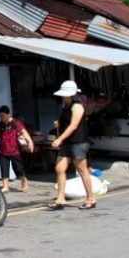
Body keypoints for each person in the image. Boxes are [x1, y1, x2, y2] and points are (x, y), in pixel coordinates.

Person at [48, 80, 96, 210]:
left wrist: (59, 139)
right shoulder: (66, 106)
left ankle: (91, 198)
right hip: (67, 142)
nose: (63, 96)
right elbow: (65, 123)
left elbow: (74, 125)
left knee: (82, 170)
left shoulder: (77, 106)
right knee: (59, 168)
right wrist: (58, 124)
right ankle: (60, 198)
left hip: (78, 142)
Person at [0, 105, 34, 193]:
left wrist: (30, 142)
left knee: (18, 168)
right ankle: (5, 186)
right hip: (3, 150)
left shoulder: (16, 123)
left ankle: (24, 181)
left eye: (3, 115)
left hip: (15, 151)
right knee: (4, 168)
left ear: (8, 114)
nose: (1, 117)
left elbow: (24, 132)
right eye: (0, 116)